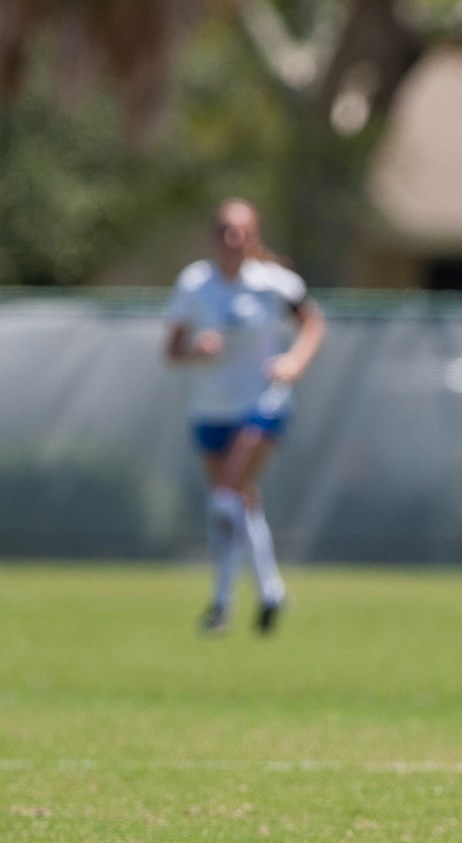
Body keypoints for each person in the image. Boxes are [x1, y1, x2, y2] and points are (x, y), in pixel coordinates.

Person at [163, 198, 326, 635]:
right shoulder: (195, 283)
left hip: (261, 402)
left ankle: (221, 602)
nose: (232, 239)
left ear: (255, 237)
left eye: (242, 231)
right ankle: (270, 590)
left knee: (226, 497)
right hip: (211, 406)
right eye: (224, 230)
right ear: (212, 236)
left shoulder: (274, 283)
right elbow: (172, 349)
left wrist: (294, 362)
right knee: (240, 501)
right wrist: (196, 350)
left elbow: (313, 325)